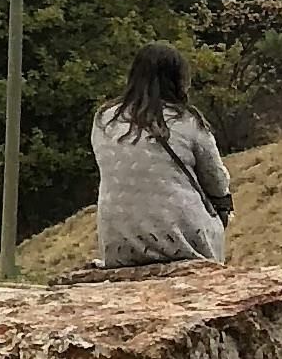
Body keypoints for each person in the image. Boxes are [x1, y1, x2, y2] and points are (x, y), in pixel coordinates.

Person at [90, 43, 232, 265]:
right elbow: (216, 182)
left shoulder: (104, 120)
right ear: (178, 79)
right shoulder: (186, 120)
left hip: (118, 241)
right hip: (181, 240)